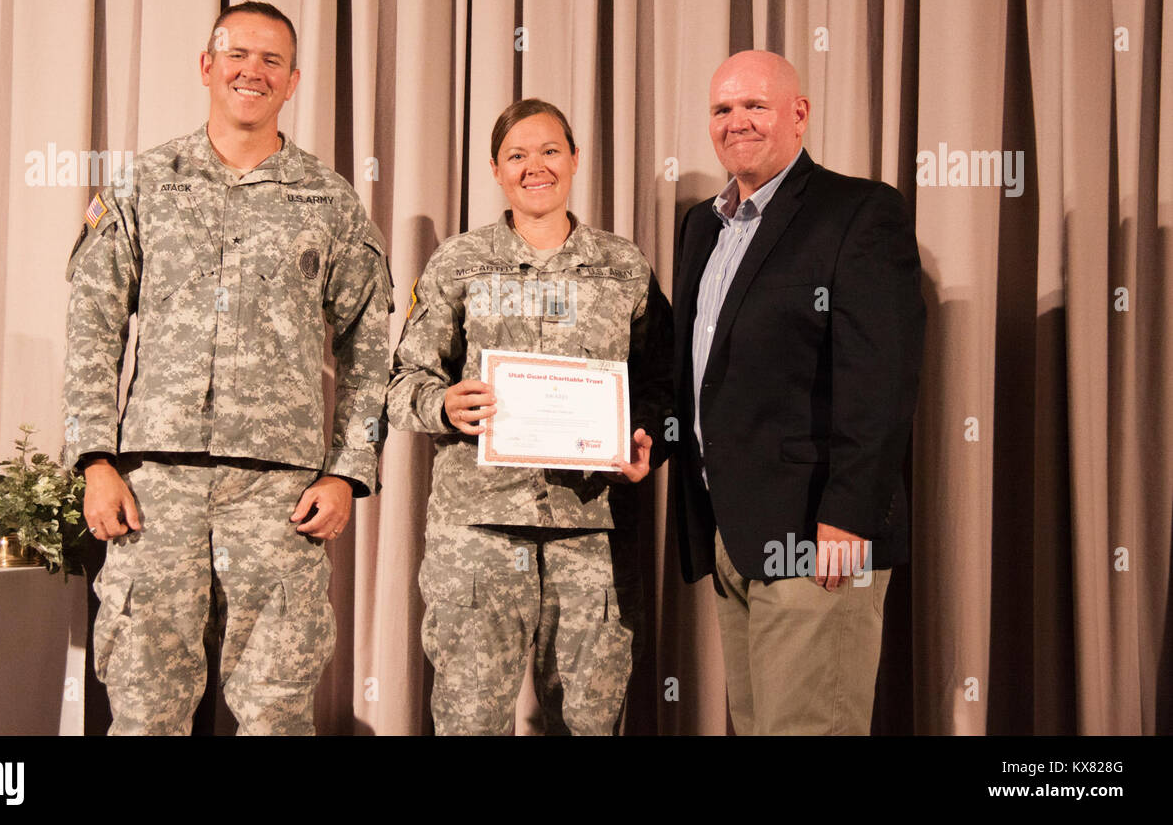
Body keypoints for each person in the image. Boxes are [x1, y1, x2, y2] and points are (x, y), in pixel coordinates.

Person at [62, 0, 393, 735]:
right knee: (146, 714)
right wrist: (94, 458)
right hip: (155, 487)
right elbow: (93, 324)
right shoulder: (143, 184)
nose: (253, 71)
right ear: (207, 67)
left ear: (294, 81)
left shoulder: (329, 201)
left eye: (272, 60)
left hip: (281, 495)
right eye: (237, 55)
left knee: (276, 716)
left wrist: (348, 470)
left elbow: (372, 346)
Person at [388, 98, 673, 735]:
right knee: (469, 721)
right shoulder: (458, 262)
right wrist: (443, 403)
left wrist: (645, 437)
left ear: (574, 160)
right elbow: (401, 382)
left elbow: (661, 383)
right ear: (495, 169)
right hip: (477, 533)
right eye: (517, 155)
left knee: (589, 723)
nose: (534, 166)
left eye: (549, 151)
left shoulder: (623, 267)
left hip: (591, 530)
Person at [672, 51, 925, 735]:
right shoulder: (703, 226)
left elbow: (882, 379)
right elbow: (697, 369)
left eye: (755, 105)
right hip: (731, 533)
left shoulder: (859, 212)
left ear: (799, 114)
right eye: (723, 109)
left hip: (819, 536)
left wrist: (848, 515)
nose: (737, 122)